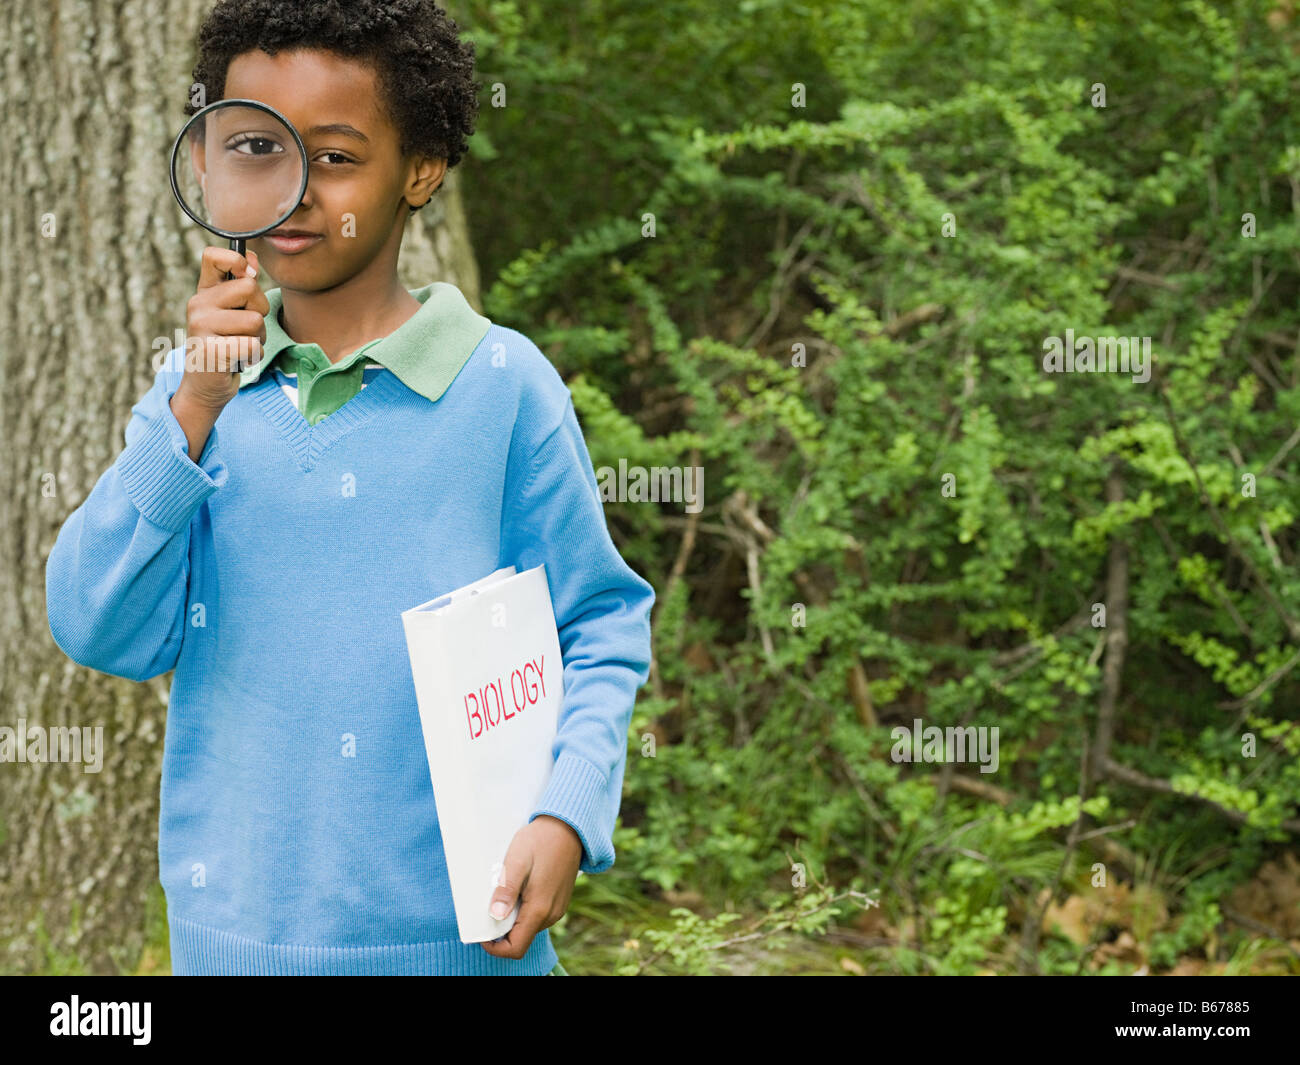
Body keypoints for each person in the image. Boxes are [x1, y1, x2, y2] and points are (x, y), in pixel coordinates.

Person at [44, 0, 653, 976]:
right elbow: (97, 627)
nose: (290, 190)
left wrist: (566, 811)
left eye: (332, 158)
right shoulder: (195, 397)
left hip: (463, 945)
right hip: (232, 947)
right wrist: (195, 405)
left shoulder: (504, 389)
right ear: (206, 164)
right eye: (255, 147)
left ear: (422, 169)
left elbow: (600, 623)